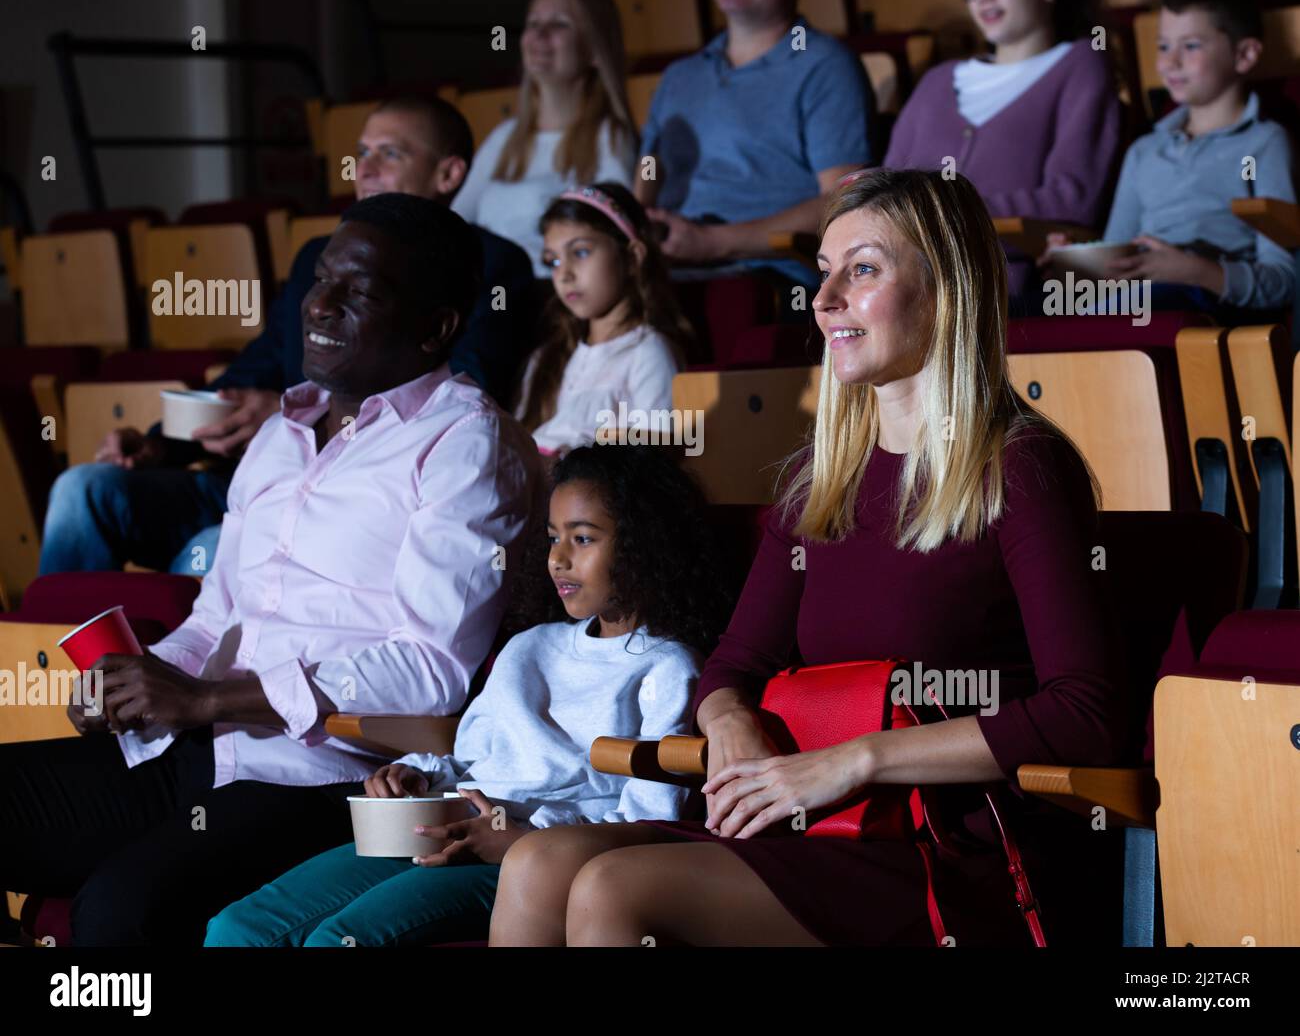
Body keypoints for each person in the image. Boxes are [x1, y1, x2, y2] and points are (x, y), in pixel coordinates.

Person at [488, 169, 1130, 947]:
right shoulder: (817, 482)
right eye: (824, 273)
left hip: (952, 851)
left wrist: (855, 761)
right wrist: (729, 728)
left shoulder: (1020, 468)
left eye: (861, 271)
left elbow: (1086, 714)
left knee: (613, 889)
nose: (823, 300)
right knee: (538, 862)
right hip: (825, 824)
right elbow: (732, 668)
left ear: (945, 288)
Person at [0, 195, 541, 946]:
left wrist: (209, 695)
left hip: (323, 776)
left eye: (362, 291)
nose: (322, 302)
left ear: (435, 328)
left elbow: (429, 671)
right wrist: (143, 679)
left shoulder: (465, 445)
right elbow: (217, 615)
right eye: (323, 279)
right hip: (190, 744)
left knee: (120, 909)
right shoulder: (281, 432)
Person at [205, 445, 730, 946]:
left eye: (584, 539)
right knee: (237, 929)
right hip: (440, 826)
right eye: (552, 538)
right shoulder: (529, 648)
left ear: (643, 545)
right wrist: (417, 775)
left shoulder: (667, 667)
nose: (558, 560)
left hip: (525, 862)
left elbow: (649, 824)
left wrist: (521, 836)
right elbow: (471, 758)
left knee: (339, 940)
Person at [39, 97, 536, 576]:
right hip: (251, 477)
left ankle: (177, 658)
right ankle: (57, 657)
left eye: (391, 152)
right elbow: (259, 365)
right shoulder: (319, 254)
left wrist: (290, 410)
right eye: (361, 152)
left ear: (448, 174)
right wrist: (160, 445)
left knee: (211, 551)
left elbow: (467, 385)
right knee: (84, 488)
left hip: (356, 497)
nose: (364, 168)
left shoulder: (490, 264)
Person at [883, 0, 1122, 308]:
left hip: (1002, 291)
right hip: (910, 289)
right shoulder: (938, 81)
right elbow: (889, 189)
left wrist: (941, 212)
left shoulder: (1082, 65)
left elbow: (1071, 201)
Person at [636, 0, 876, 295]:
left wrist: (710, 242)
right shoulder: (679, 76)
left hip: (764, 277)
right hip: (666, 272)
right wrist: (637, 219)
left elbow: (844, 198)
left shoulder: (824, 65)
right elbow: (650, 168)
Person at [1087, 0, 1298, 317]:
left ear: (1244, 55)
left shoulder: (1265, 143)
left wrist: (1192, 271)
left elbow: (1285, 280)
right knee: (1018, 308)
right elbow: (1114, 258)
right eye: (1164, 46)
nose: (1170, 62)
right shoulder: (1144, 151)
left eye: (1191, 46)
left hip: (1203, 303)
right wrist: (1076, 260)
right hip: (1130, 300)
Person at [452, 0, 638, 278]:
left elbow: (612, 236)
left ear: (593, 49)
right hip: (486, 288)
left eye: (559, 24)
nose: (539, 34)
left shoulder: (609, 137)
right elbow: (455, 222)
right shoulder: (505, 137)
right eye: (533, 22)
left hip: (551, 294)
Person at [515, 184, 691, 456]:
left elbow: (656, 459)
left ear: (632, 257)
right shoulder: (547, 359)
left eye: (581, 252)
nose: (564, 275)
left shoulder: (646, 353)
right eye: (553, 261)